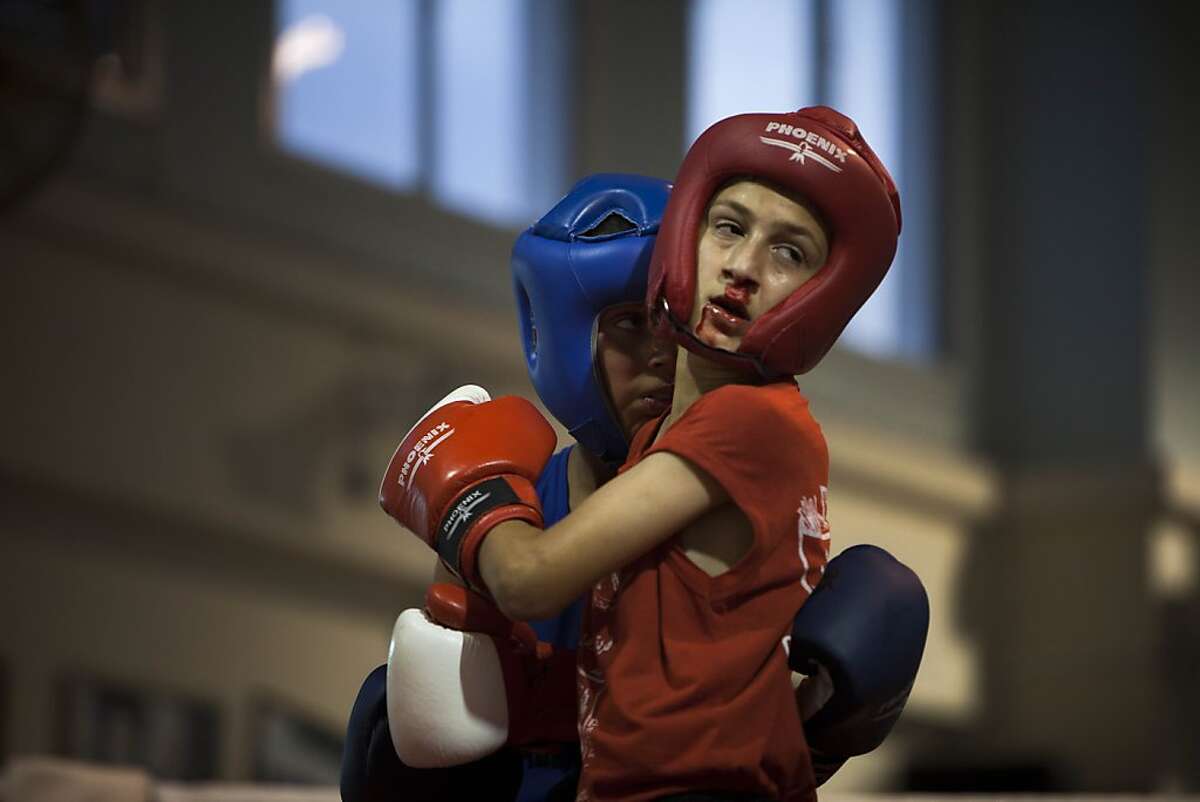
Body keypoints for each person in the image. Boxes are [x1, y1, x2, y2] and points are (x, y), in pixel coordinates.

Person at [379, 106, 915, 802]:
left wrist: (462, 492)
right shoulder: (655, 451)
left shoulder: (749, 428)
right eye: (730, 227)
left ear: (821, 294)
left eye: (790, 253)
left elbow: (529, 578)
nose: (745, 269)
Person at [341, 173, 675, 802]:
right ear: (572, 337)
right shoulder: (508, 502)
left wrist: (823, 715)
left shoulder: (729, 498)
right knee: (393, 715)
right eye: (632, 322)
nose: (664, 354)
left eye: (675, 327)